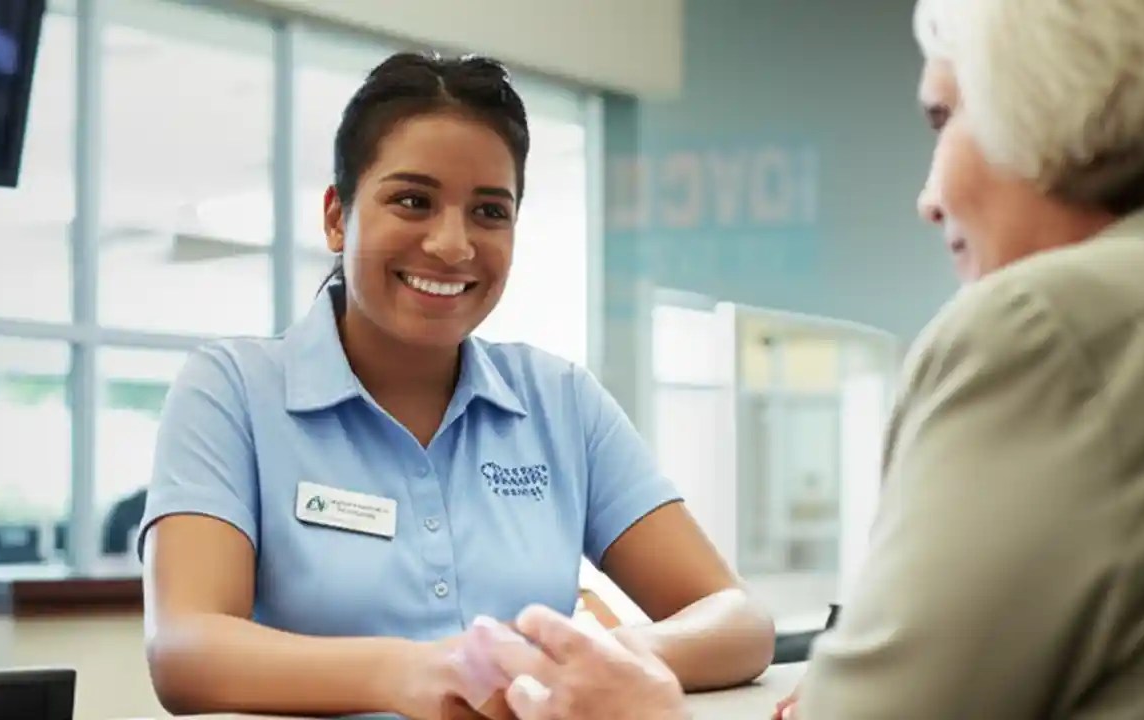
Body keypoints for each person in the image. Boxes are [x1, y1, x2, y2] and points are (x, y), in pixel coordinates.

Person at [485, 0, 1144, 717]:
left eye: (943, 121)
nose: (928, 200)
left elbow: (736, 617)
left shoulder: (1045, 330)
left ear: (1050, 105)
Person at [139, 52, 776, 720]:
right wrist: (407, 673)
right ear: (337, 216)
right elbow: (185, 649)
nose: (452, 244)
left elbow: (738, 620)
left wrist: (585, 665)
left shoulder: (560, 401)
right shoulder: (232, 392)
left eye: (489, 212)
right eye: (412, 201)